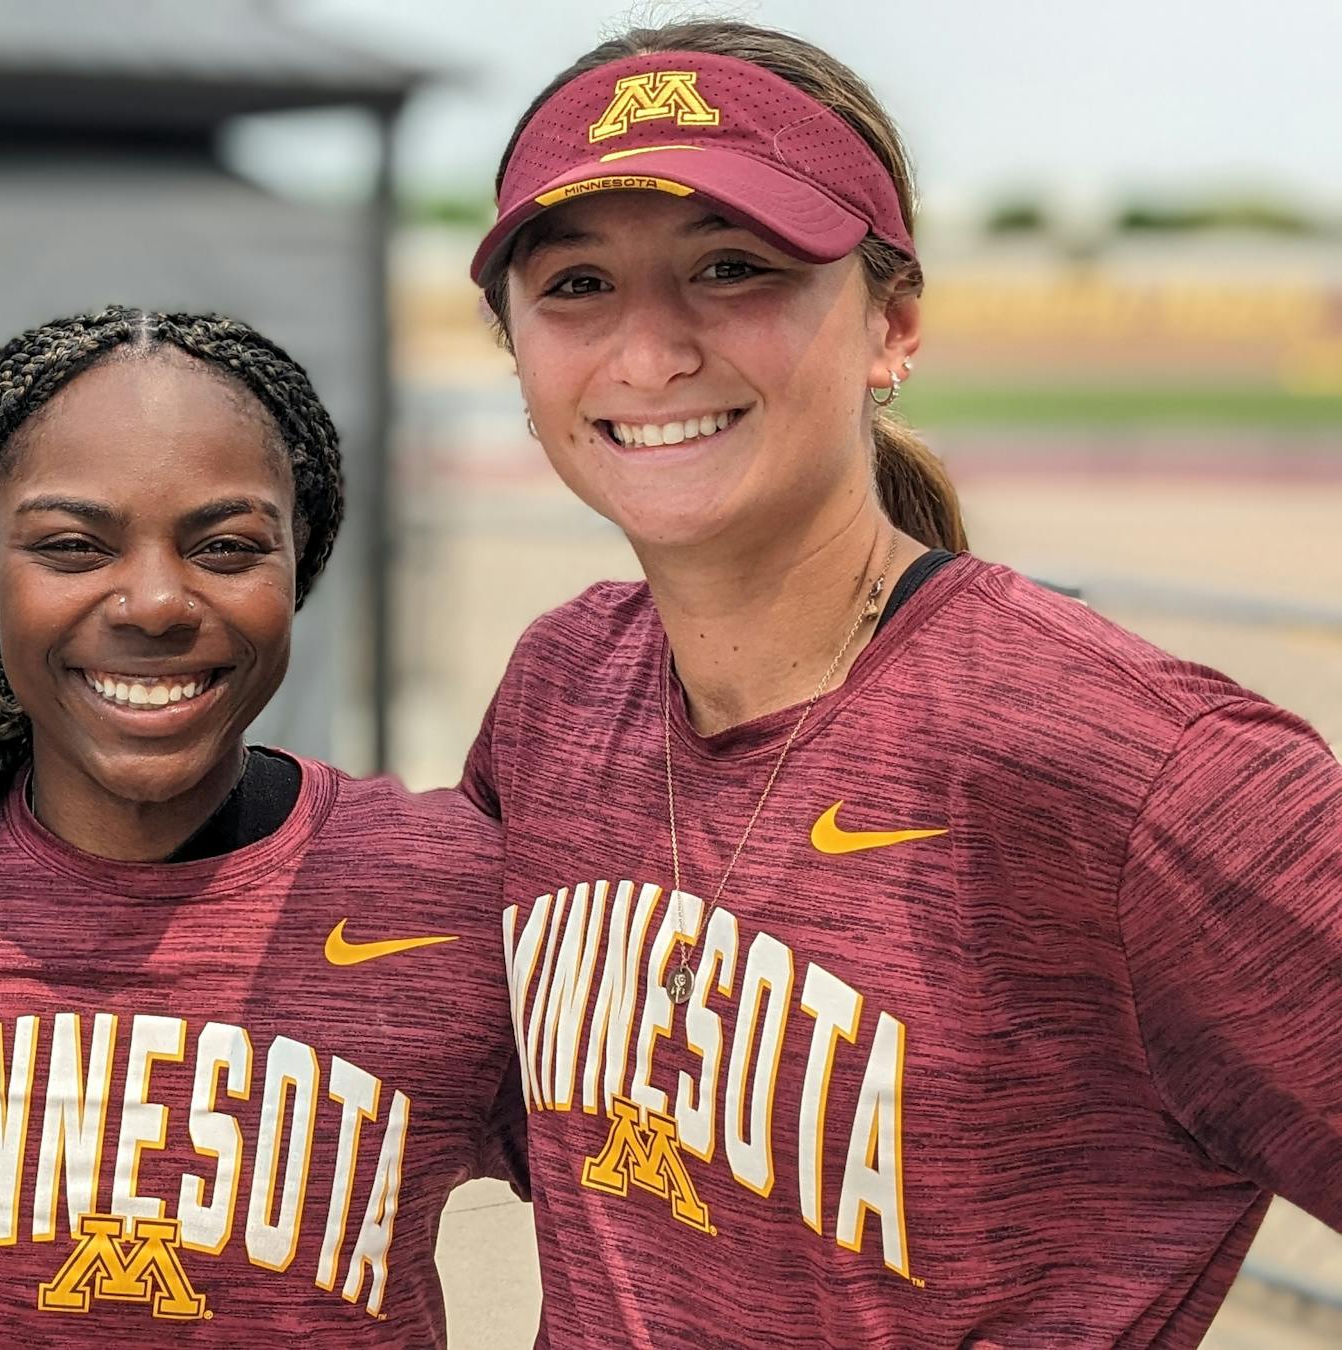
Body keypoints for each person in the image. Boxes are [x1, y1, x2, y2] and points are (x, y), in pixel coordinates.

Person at [460, 20, 1342, 1346]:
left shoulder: (1144, 770)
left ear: (895, 324)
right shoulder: (561, 689)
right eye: (577, 284)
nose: (645, 355)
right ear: (518, 348)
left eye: (732, 267)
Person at [0, 306, 523, 1345]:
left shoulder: (454, 894)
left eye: (226, 545)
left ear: (301, 558)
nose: (156, 601)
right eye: (74, 545)